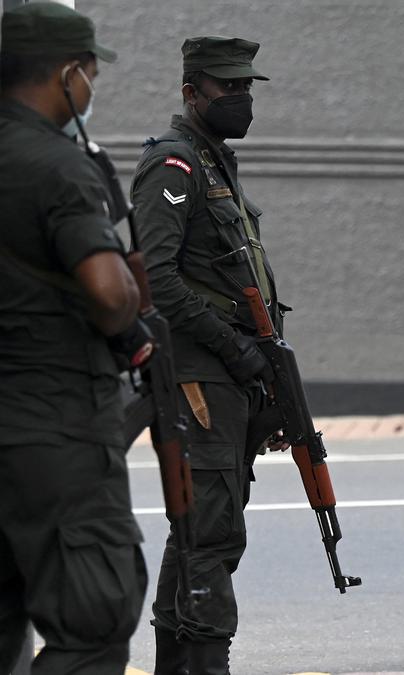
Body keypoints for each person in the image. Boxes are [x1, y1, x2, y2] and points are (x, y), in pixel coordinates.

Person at [0, 3, 151, 672]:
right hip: (54, 423)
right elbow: (112, 298)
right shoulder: (58, 166)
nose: (91, 86)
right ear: (67, 74)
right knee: (91, 618)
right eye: (90, 72)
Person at [129, 36, 281, 675]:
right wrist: (234, 349)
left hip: (230, 370)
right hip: (198, 374)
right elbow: (154, 280)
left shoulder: (214, 162)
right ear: (192, 93)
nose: (242, 99)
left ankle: (176, 664)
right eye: (228, 88)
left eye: (248, 87)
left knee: (200, 531)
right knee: (212, 532)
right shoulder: (175, 166)